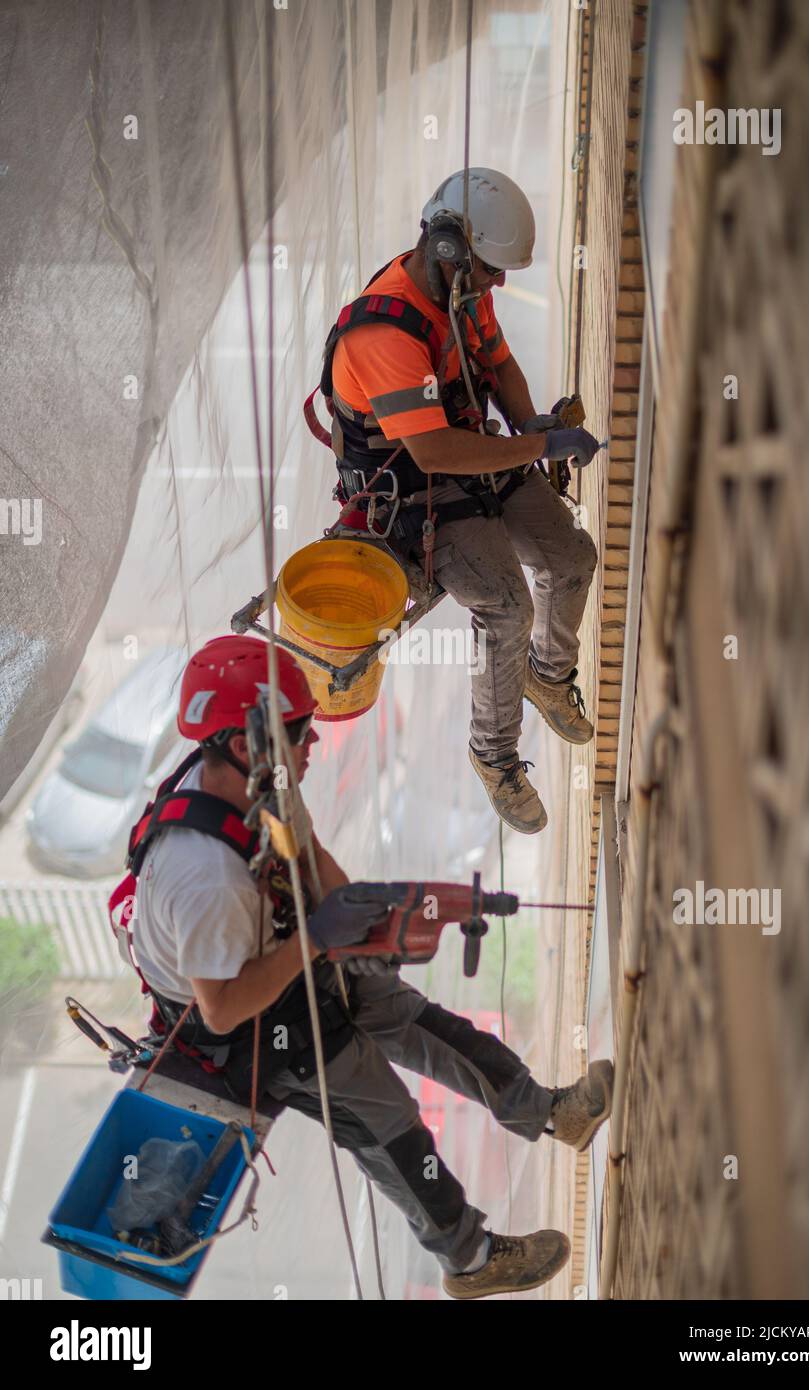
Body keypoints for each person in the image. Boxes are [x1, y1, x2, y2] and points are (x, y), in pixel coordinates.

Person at [128, 635, 614, 1300]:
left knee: (413, 1017)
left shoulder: (256, 777)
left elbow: (306, 852)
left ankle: (552, 1113)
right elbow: (222, 1007)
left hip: (288, 947)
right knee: (390, 1123)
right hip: (249, 1026)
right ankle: (472, 1262)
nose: (315, 745)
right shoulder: (203, 879)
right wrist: (321, 940)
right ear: (244, 745)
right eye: (301, 732)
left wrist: (363, 917)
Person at [317, 167, 602, 835]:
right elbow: (435, 455)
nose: (497, 284)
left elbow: (497, 365)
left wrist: (531, 424)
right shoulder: (382, 334)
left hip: (470, 448)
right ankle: (493, 754)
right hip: (412, 487)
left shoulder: (460, 290)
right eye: (491, 269)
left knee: (571, 557)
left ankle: (548, 678)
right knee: (506, 606)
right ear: (449, 248)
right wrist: (542, 448)